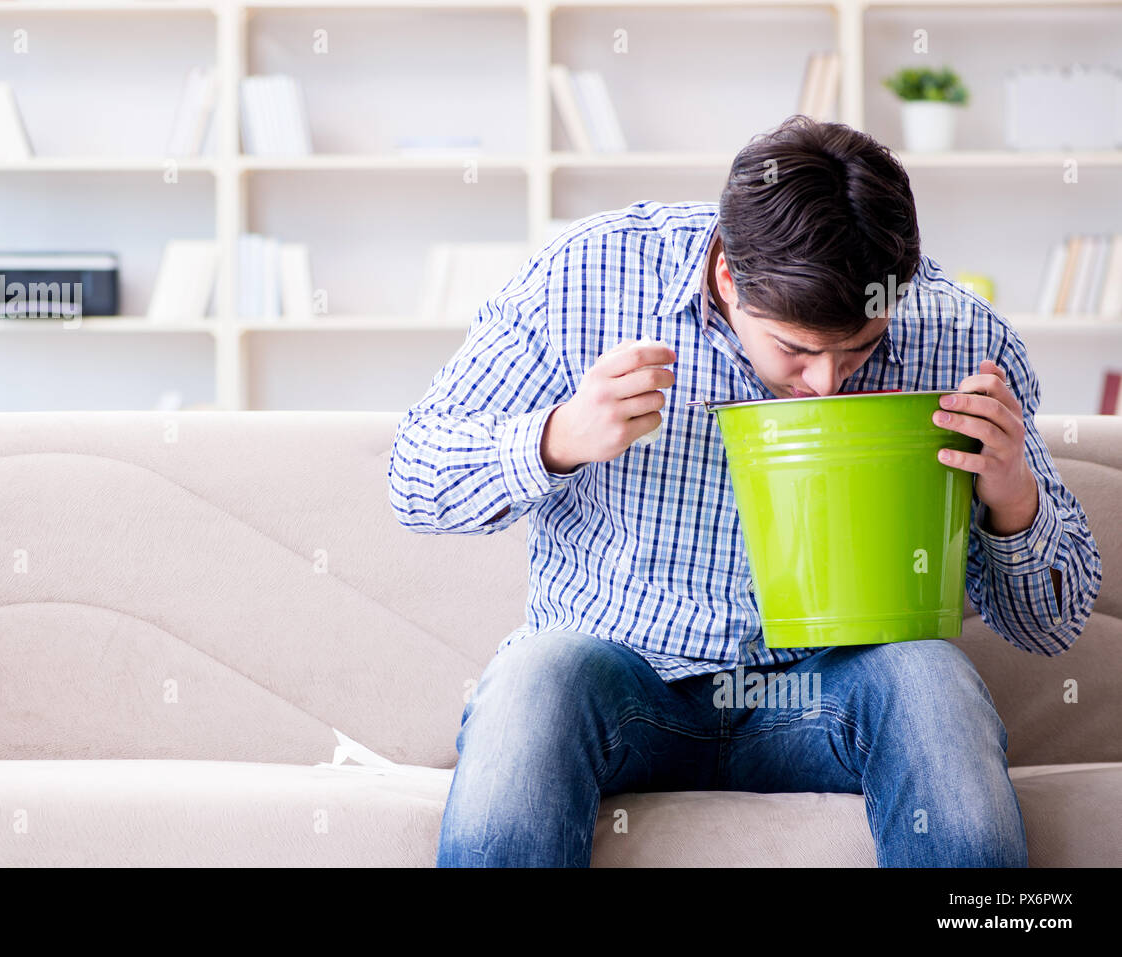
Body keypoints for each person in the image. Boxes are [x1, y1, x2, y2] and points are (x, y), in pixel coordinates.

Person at [386, 115, 1103, 867]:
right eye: (795, 348)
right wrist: (556, 437)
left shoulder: (958, 336)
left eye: (859, 348)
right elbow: (413, 479)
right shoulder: (585, 277)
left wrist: (1012, 496)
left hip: (826, 697)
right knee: (537, 672)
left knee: (930, 675)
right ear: (728, 275)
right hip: (625, 687)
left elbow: (1051, 627)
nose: (826, 383)